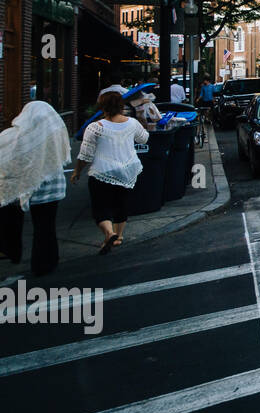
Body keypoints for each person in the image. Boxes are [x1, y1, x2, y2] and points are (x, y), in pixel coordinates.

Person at [71, 90, 150, 256]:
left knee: (101, 207)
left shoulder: (95, 128)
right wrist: (142, 121)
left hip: (102, 171)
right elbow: (144, 139)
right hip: (127, 171)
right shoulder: (132, 123)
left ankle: (108, 233)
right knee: (121, 204)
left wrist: (77, 171)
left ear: (102, 107)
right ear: (121, 106)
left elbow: (85, 155)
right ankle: (119, 236)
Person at [0, 101, 70, 277]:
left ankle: (11, 251)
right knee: (45, 226)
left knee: (10, 220)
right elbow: (62, 154)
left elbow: (6, 160)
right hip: (52, 186)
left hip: (19, 186)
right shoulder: (54, 134)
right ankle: (45, 263)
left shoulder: (11, 137)